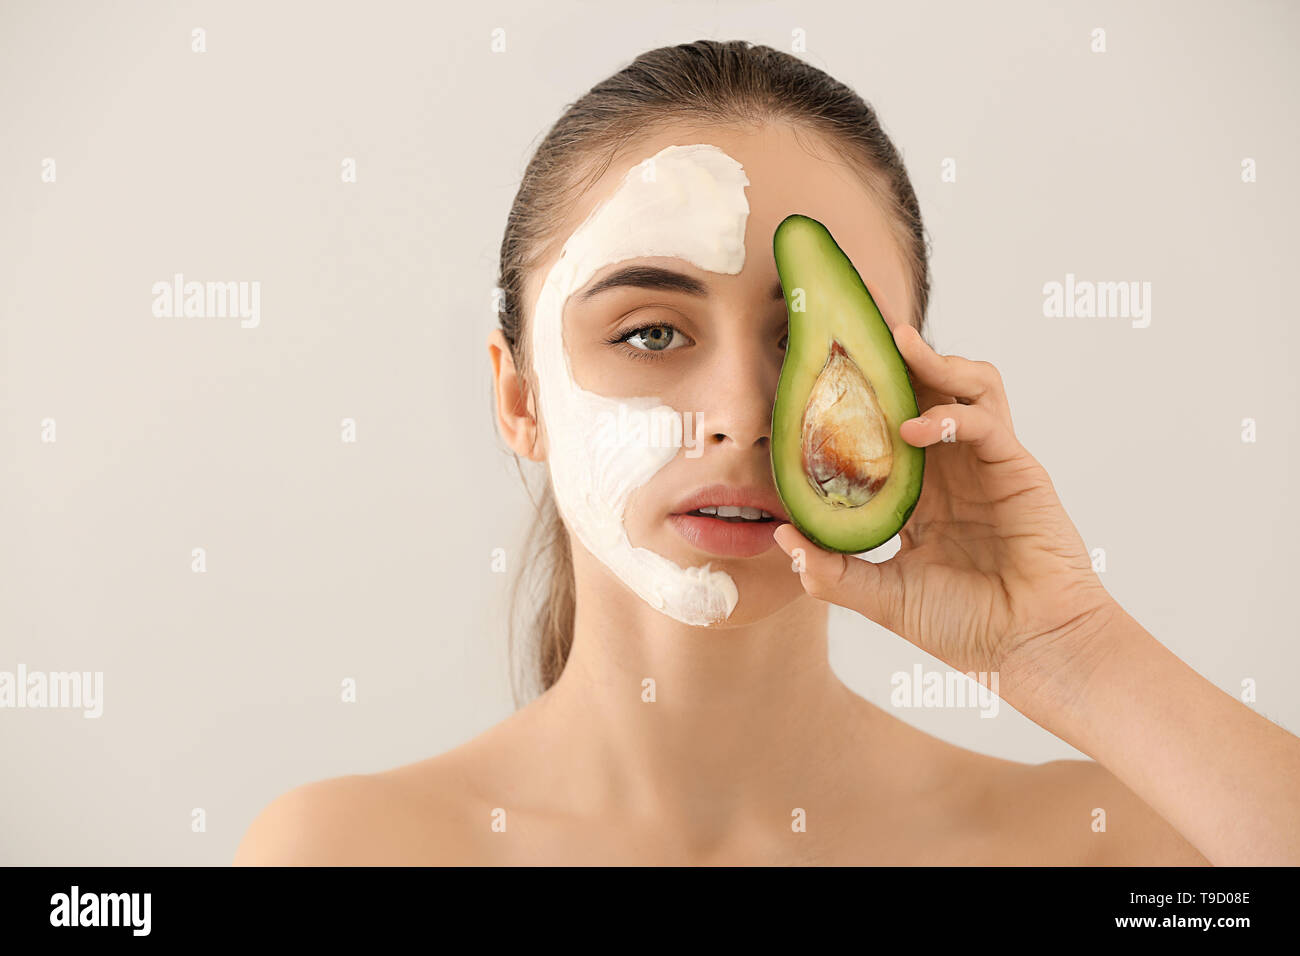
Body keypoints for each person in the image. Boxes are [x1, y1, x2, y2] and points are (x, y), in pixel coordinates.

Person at [234, 39, 1299, 866]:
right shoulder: (342, 853)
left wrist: (1065, 646)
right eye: (651, 332)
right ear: (520, 398)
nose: (741, 412)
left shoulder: (1096, 846)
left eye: (810, 338)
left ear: (913, 382)